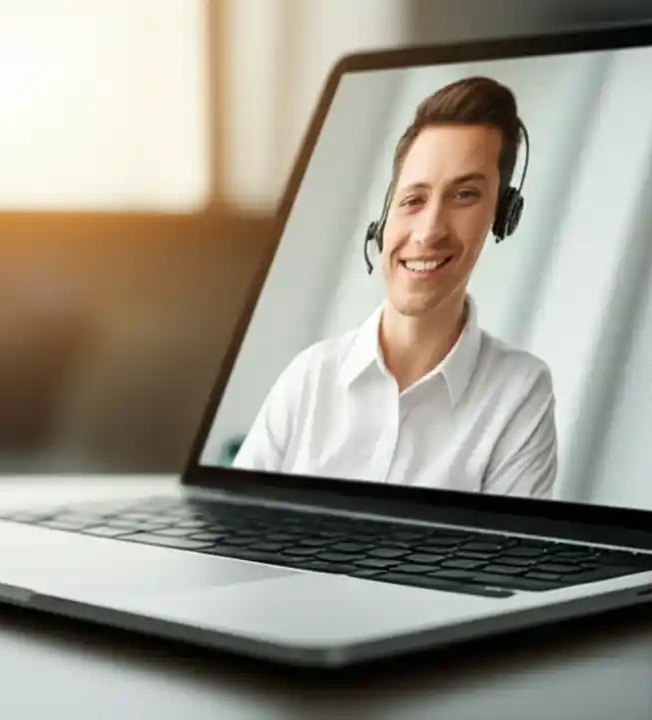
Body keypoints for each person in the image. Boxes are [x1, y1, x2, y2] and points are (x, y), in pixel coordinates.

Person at [233, 76, 558, 499]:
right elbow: (234, 524)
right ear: (383, 221)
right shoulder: (308, 378)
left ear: (502, 216)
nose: (428, 231)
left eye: (465, 194)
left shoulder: (519, 392)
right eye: (413, 200)